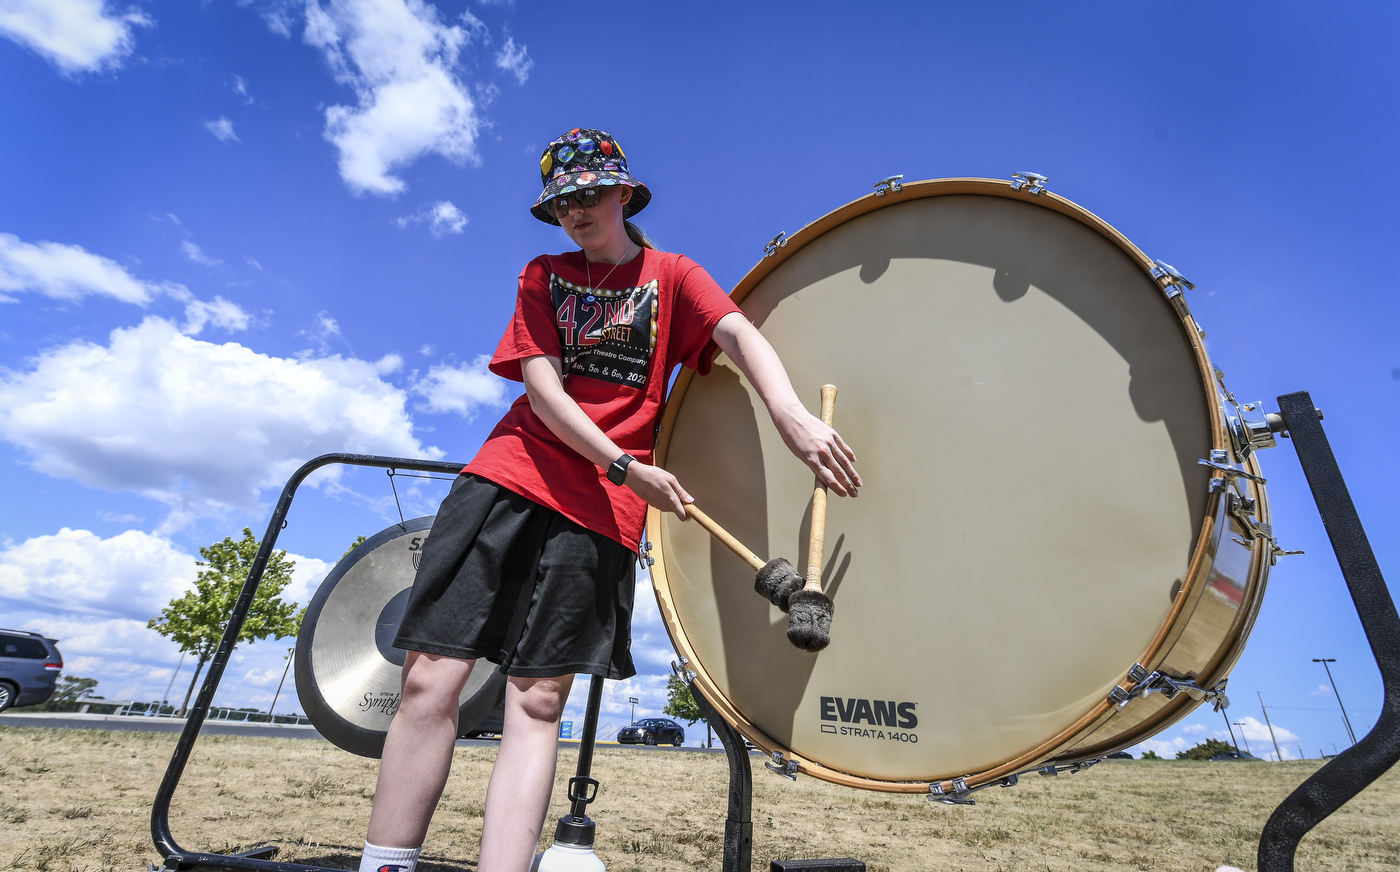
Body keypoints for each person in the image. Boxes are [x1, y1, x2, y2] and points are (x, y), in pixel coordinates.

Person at [357, 128, 861, 872]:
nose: (576, 212)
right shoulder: (544, 274)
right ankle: (385, 864)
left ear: (625, 193)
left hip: (599, 514)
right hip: (512, 478)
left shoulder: (673, 275)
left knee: (536, 702)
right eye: (563, 202)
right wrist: (626, 465)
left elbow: (738, 336)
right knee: (431, 677)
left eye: (590, 194)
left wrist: (791, 416)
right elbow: (543, 387)